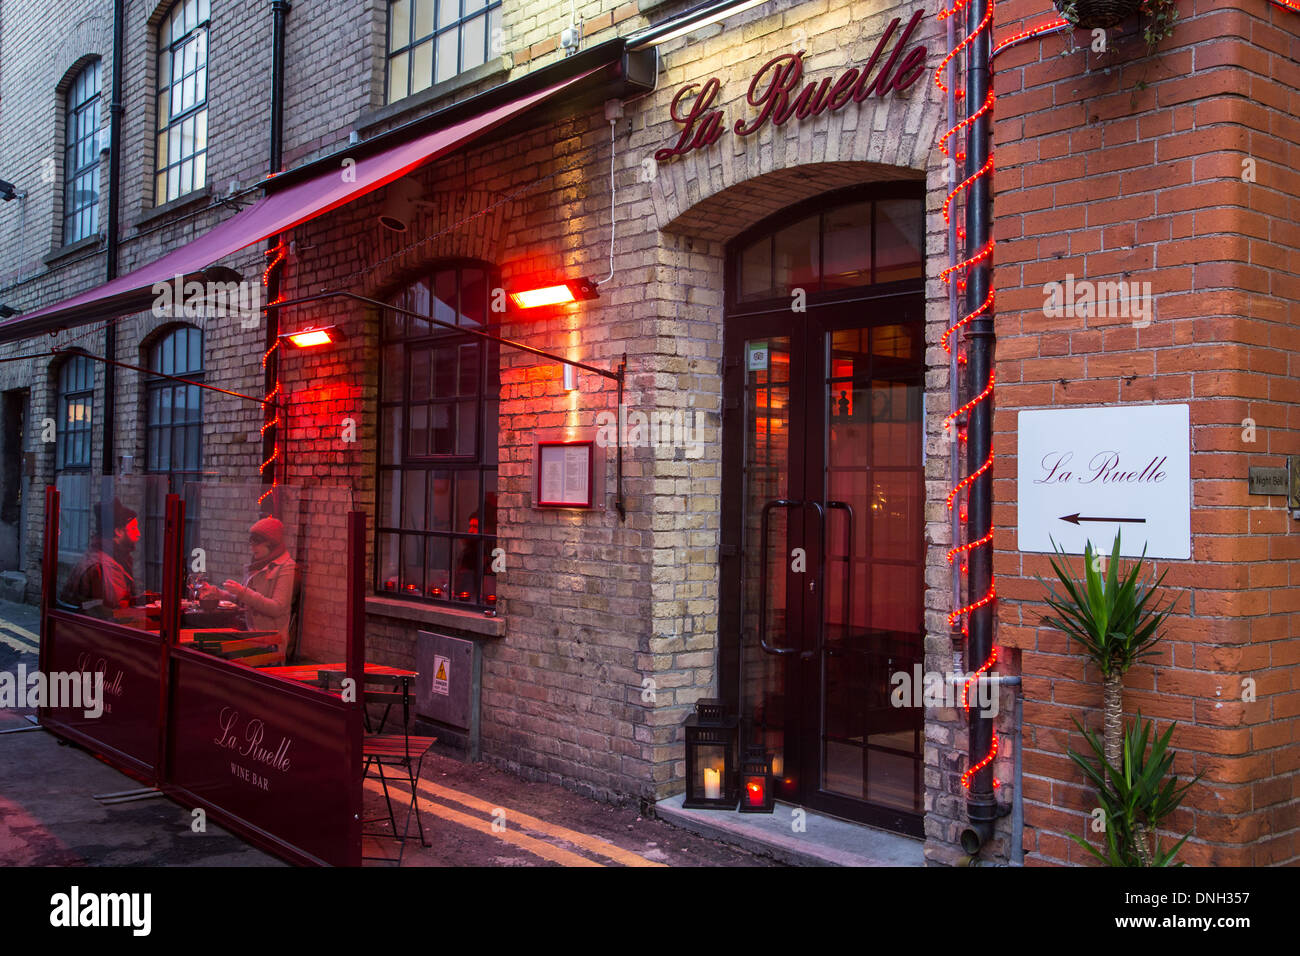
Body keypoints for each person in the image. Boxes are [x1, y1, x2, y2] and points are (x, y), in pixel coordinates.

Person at [205, 517, 298, 657]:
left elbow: (277, 608)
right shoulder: (258, 564)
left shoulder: (287, 567)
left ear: (271, 543)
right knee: (209, 649)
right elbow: (245, 600)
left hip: (270, 643)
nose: (252, 548)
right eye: (251, 543)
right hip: (250, 636)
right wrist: (219, 594)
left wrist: (242, 592)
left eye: (257, 543)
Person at [60, 499, 140, 613]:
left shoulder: (98, 556)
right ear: (118, 532)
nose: (138, 534)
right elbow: (115, 612)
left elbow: (96, 604)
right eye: (133, 528)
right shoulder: (105, 566)